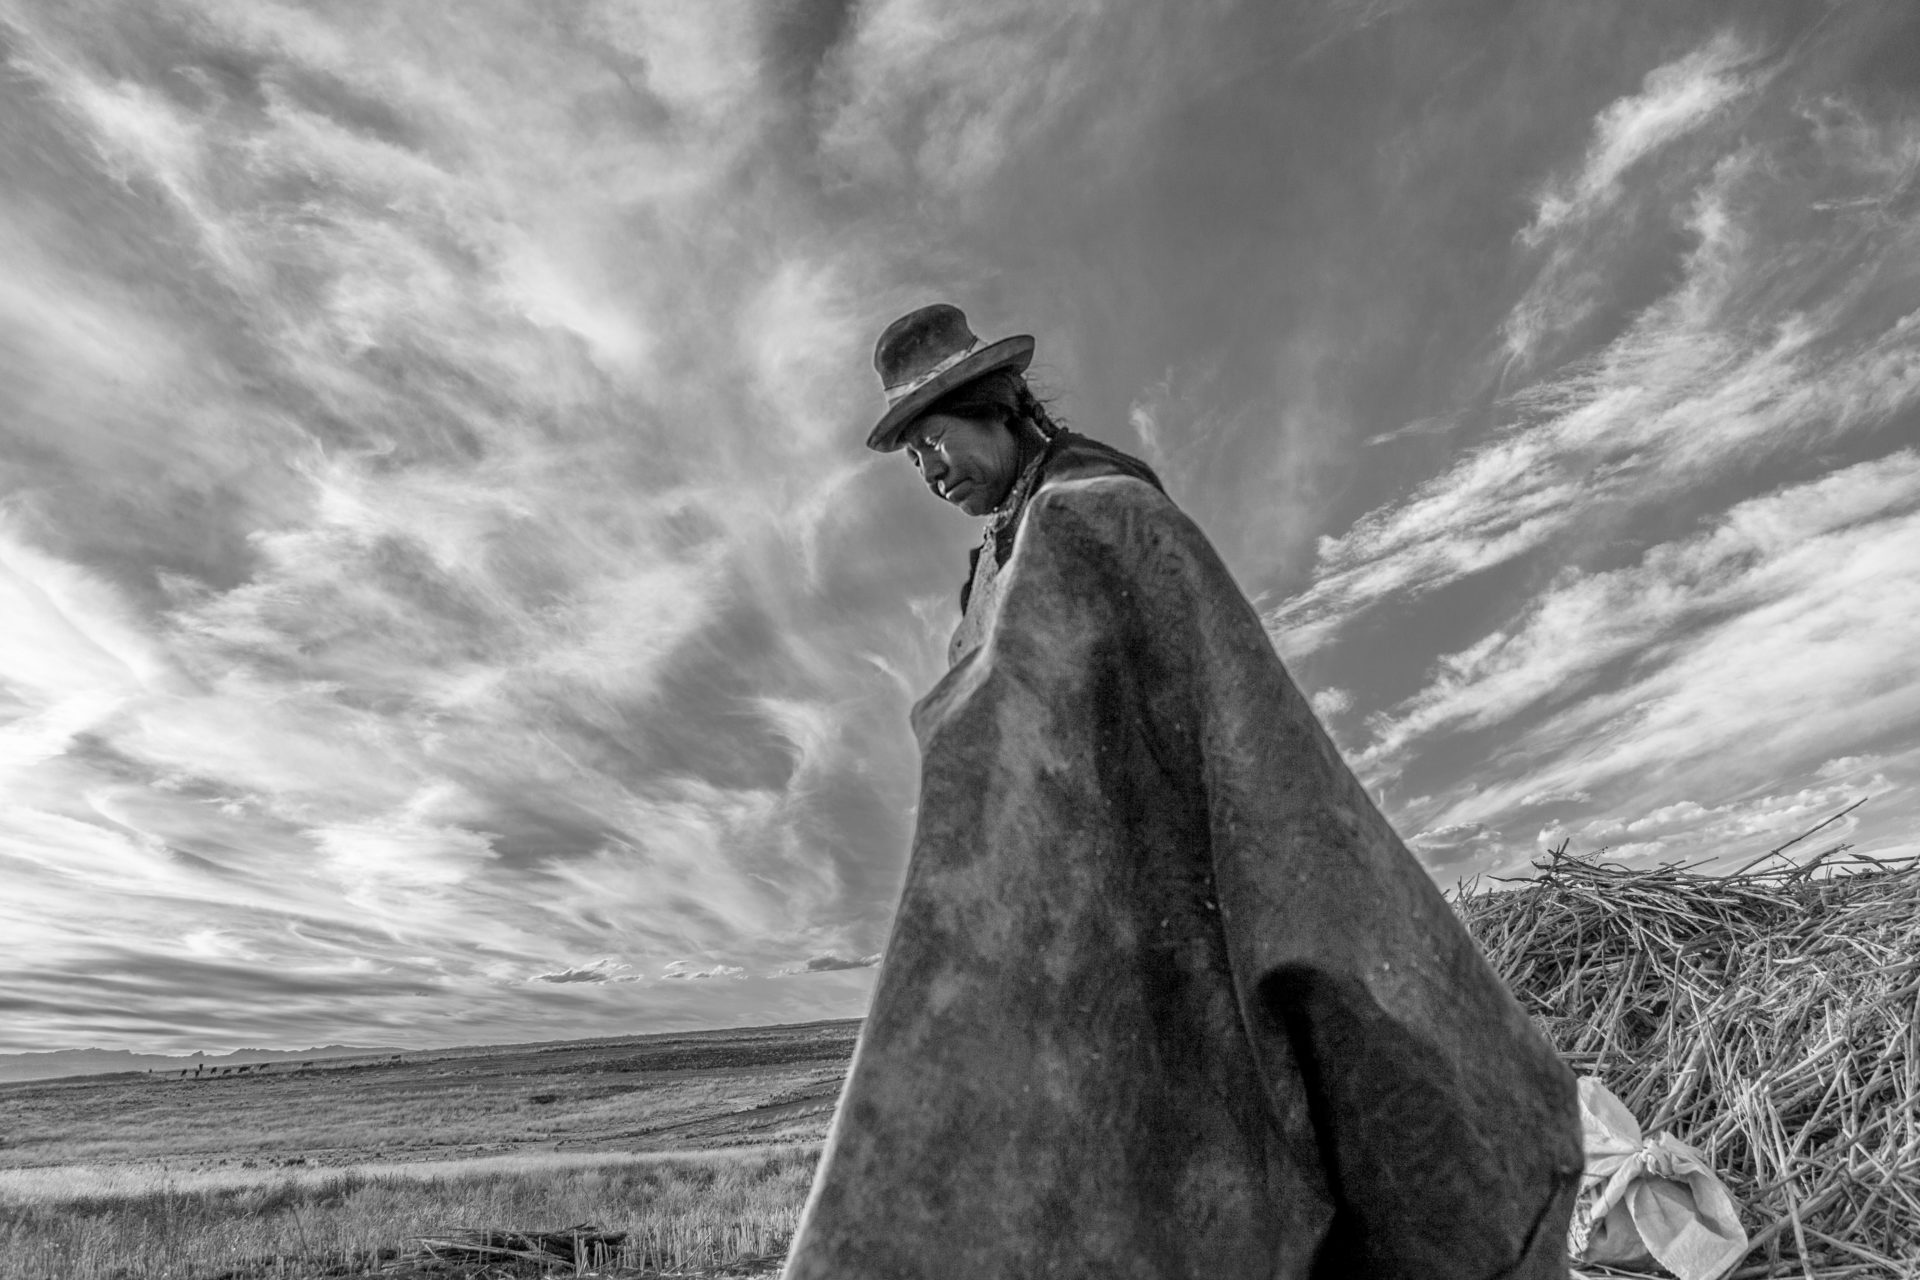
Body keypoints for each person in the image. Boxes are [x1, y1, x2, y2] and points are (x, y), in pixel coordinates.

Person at [780, 304, 1582, 1280]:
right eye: (911, 458)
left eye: (933, 440)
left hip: (1171, 888)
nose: (929, 469)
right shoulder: (994, 558)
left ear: (988, 404)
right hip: (1077, 907)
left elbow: (1166, 696)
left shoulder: (1091, 507)